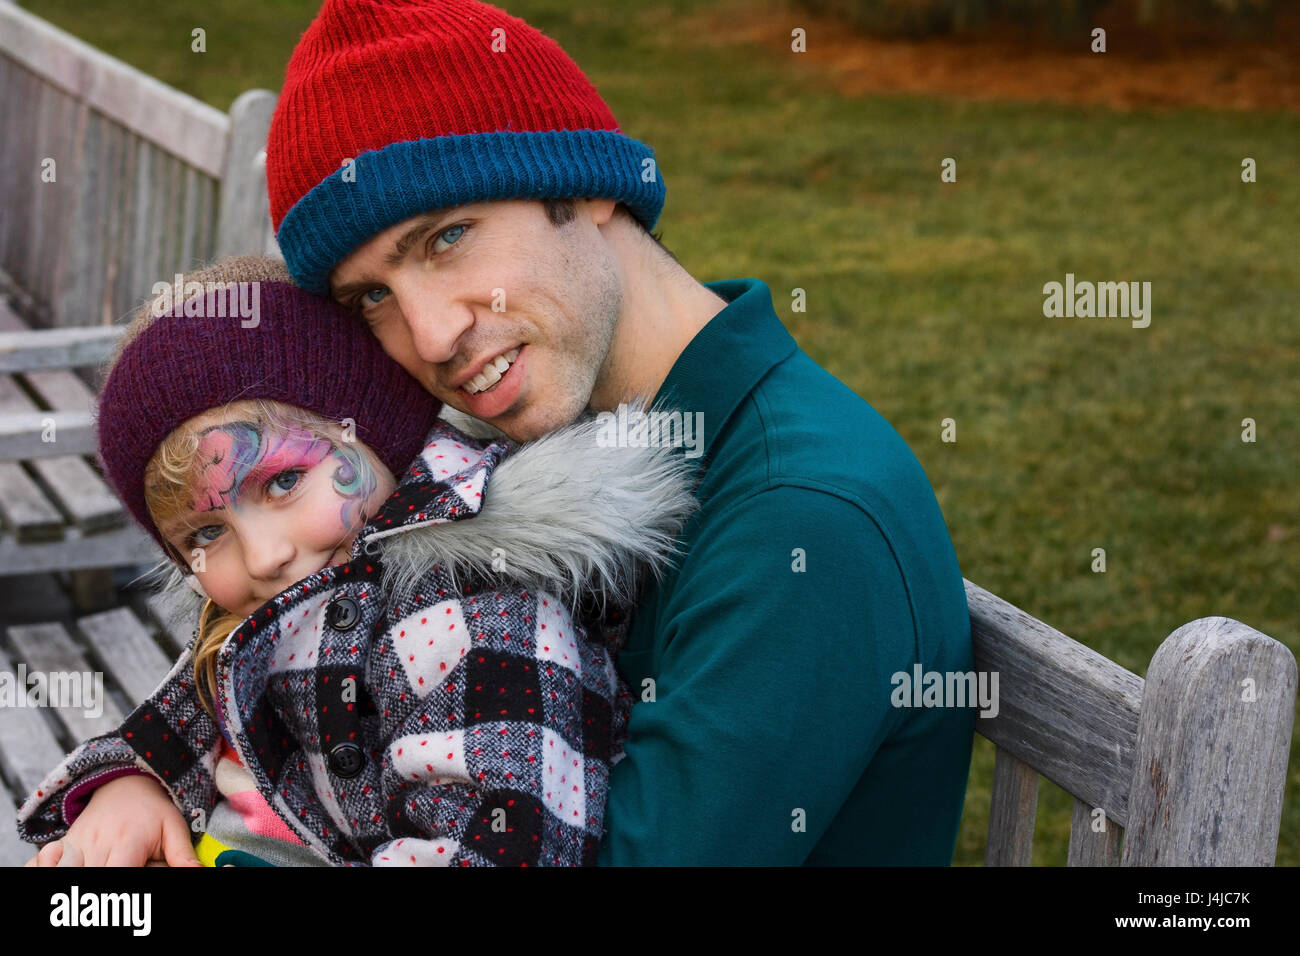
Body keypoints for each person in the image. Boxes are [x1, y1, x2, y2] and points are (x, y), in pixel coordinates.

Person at [262, 0, 977, 864]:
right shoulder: (533, 454)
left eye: (448, 238)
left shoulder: (802, 523)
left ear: (587, 183)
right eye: (370, 296)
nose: (430, 337)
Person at [17, 256, 698, 866]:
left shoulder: (479, 618)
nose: (266, 554)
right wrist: (129, 786)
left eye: (283, 482)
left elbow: (497, 843)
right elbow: (177, 720)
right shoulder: (269, 605)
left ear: (380, 429)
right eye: (205, 534)